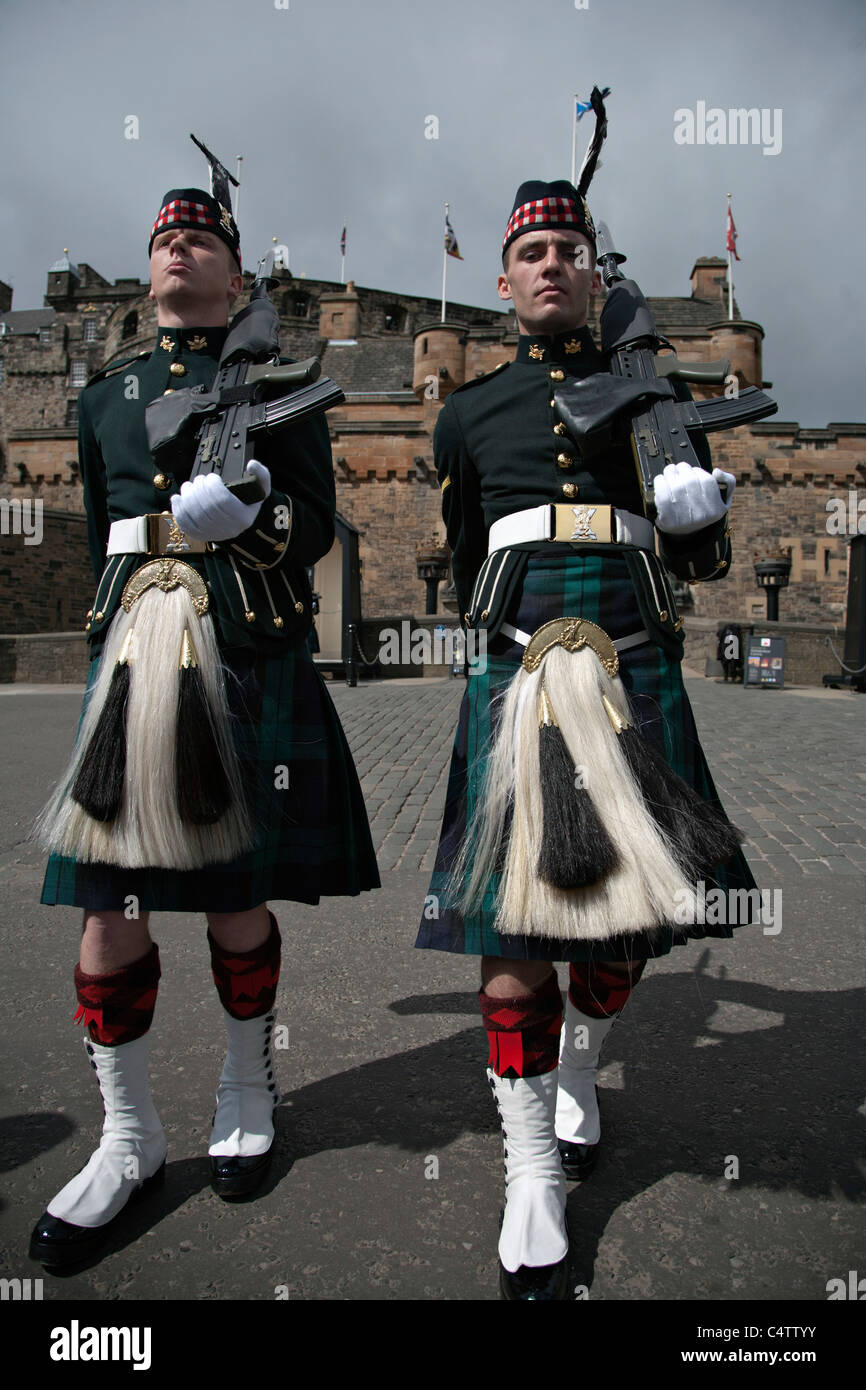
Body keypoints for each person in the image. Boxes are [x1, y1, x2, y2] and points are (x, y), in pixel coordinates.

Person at [415, 174, 759, 1299]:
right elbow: (467, 558)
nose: (552, 263)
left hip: (631, 654)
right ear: (505, 282)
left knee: (617, 928)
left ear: (592, 274)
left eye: (571, 247)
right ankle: (526, 1167)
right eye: (533, 252)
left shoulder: (654, 392)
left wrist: (702, 527)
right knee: (512, 932)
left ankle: (582, 1064)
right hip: (520, 661)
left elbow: (699, 560)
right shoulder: (466, 414)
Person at [30, 183, 379, 1270]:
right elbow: (104, 526)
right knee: (107, 901)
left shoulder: (287, 384)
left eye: (202, 238)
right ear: (150, 276)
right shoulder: (104, 397)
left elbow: (314, 521)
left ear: (237, 274)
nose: (180, 247)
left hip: (245, 639)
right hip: (140, 637)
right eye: (165, 239)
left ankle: (244, 1085)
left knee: (236, 889)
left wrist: (258, 514)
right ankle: (127, 1140)